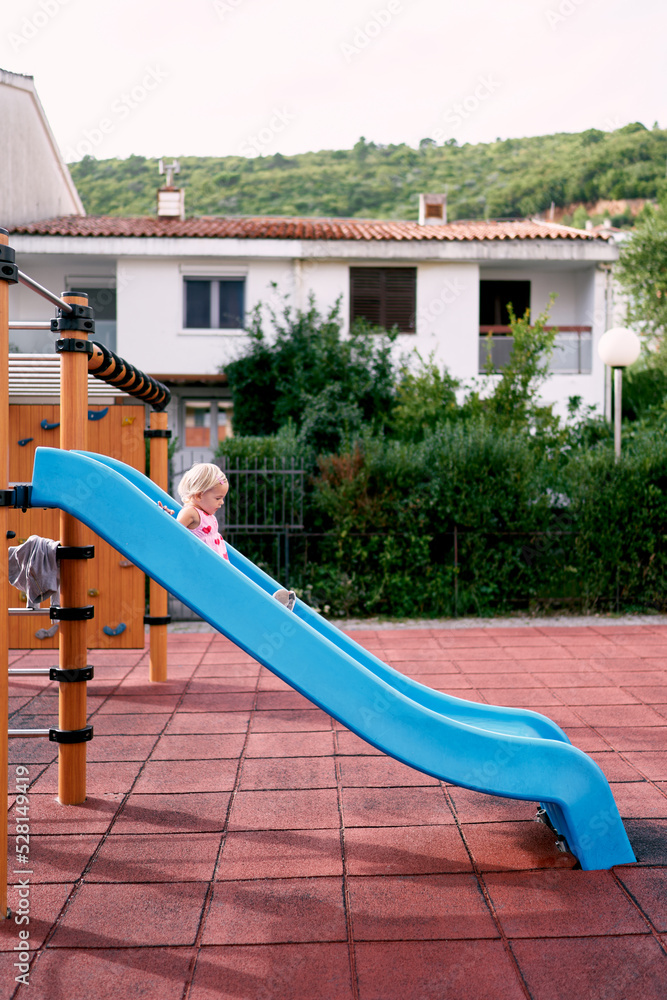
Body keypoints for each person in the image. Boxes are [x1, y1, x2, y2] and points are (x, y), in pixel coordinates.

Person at [160, 463, 296, 611]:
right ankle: (269, 607)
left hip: (219, 566)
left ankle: (269, 605)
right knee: (238, 590)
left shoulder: (206, 514)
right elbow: (174, 532)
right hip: (208, 570)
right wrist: (164, 517)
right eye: (218, 498)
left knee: (240, 586)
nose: (222, 502)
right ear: (199, 495)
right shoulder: (190, 512)